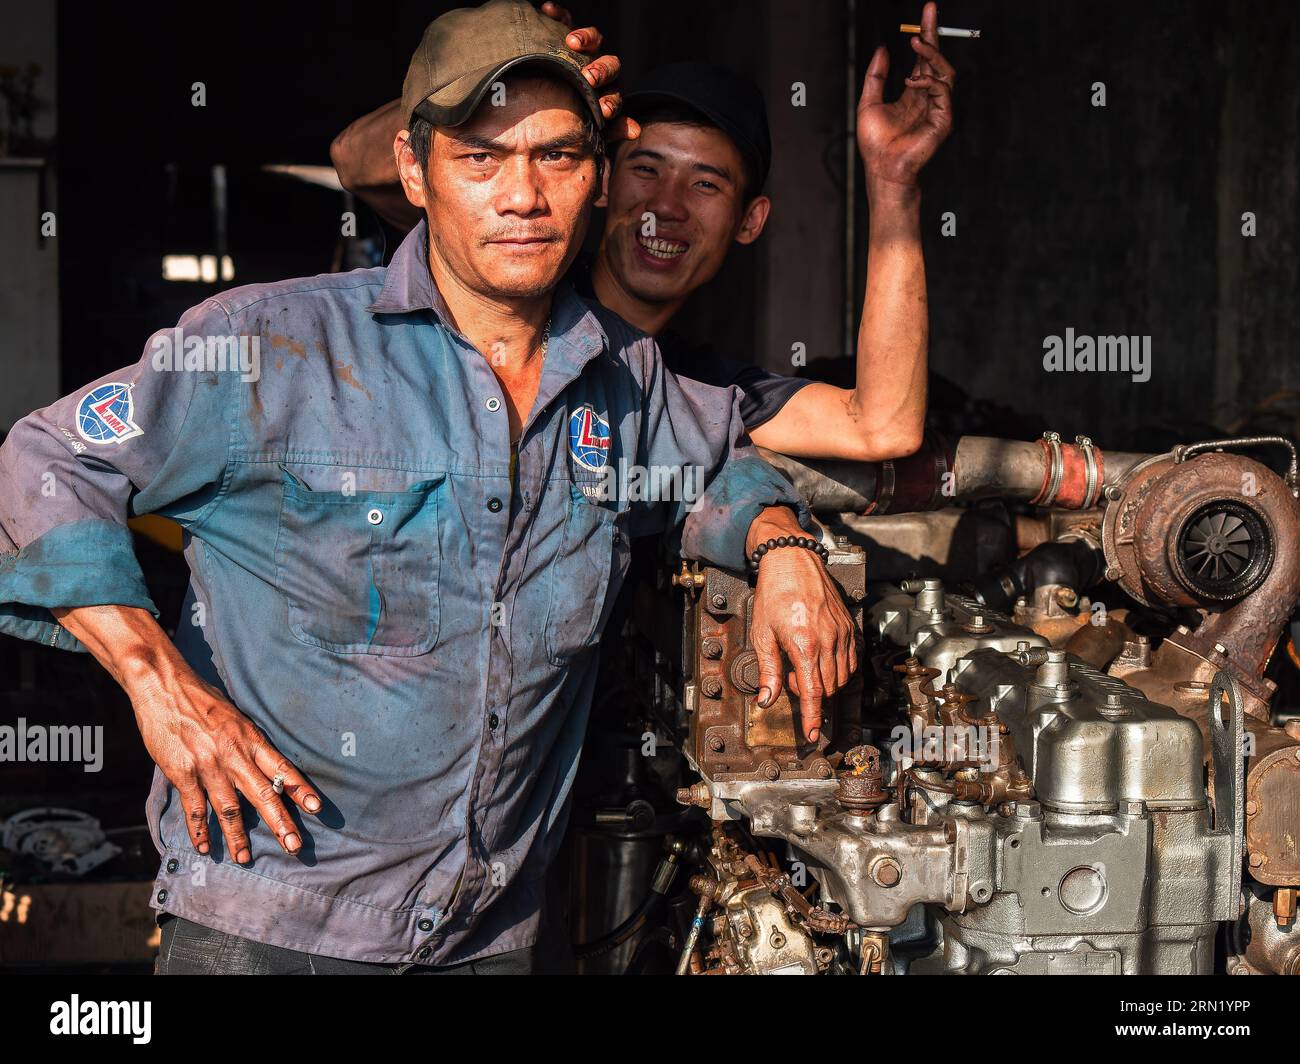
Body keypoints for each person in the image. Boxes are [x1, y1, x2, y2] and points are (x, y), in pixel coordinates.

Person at [0, 0, 855, 974]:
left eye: (557, 156)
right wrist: (156, 683)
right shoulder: (271, 345)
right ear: (415, 171)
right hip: (271, 924)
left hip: (488, 936)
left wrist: (783, 543)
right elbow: (42, 459)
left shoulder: (624, 377)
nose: (523, 196)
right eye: (481, 158)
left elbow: (714, 462)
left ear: (597, 178)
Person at [331, 1, 956, 461]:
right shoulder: (511, 270)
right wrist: (506, 72)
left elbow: (882, 426)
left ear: (750, 221)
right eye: (647, 169)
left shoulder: (693, 388)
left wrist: (893, 183)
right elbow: (352, 161)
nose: (667, 206)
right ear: (599, 180)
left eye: (706, 184)